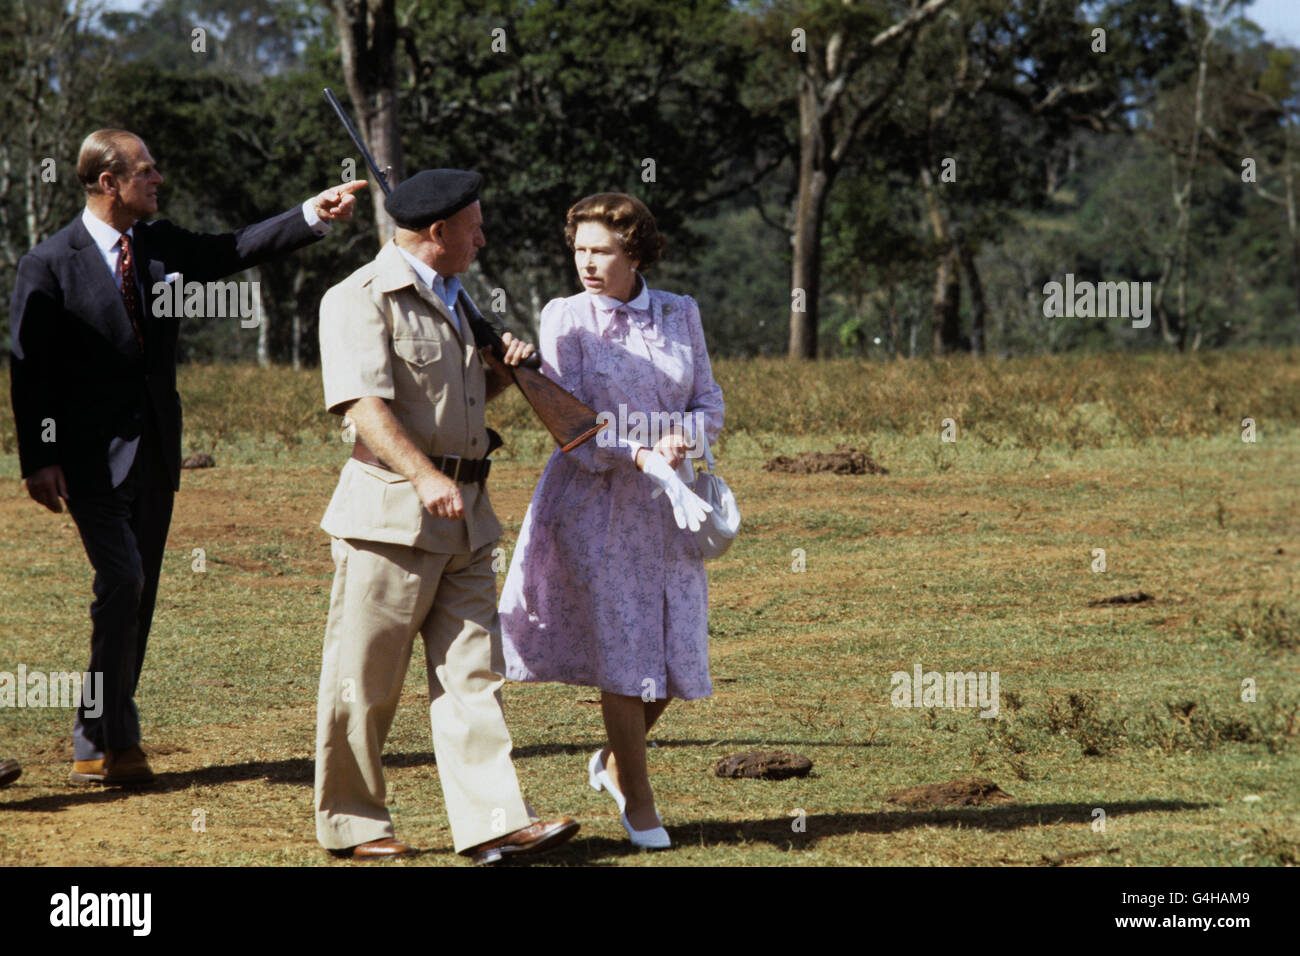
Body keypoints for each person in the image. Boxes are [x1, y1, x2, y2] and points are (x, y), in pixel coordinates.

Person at [8, 129, 365, 787]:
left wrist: (313, 214)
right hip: (87, 461)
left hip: (156, 455)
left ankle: (110, 736)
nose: (158, 179)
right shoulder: (49, 262)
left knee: (136, 600)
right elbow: (31, 374)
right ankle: (104, 731)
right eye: (146, 171)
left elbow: (233, 249)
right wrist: (40, 457)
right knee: (123, 582)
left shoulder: (161, 244)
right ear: (108, 182)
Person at [313, 168, 579, 863]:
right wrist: (425, 474)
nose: (484, 237)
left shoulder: (457, 301)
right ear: (437, 233)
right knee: (364, 682)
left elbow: (455, 402)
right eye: (475, 227)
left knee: (472, 679)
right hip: (392, 519)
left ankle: (493, 823)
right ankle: (353, 825)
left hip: (468, 516)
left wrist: (500, 372)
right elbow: (361, 405)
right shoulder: (359, 299)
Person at [499, 192, 723, 849]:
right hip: (596, 504)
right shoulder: (564, 316)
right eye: (579, 251)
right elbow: (569, 422)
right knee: (627, 657)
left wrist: (684, 436)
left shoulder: (681, 312)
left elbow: (707, 398)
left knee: (676, 655)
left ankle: (614, 762)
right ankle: (640, 802)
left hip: (673, 505)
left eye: (602, 251)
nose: (587, 264)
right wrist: (637, 450)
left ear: (635, 253)